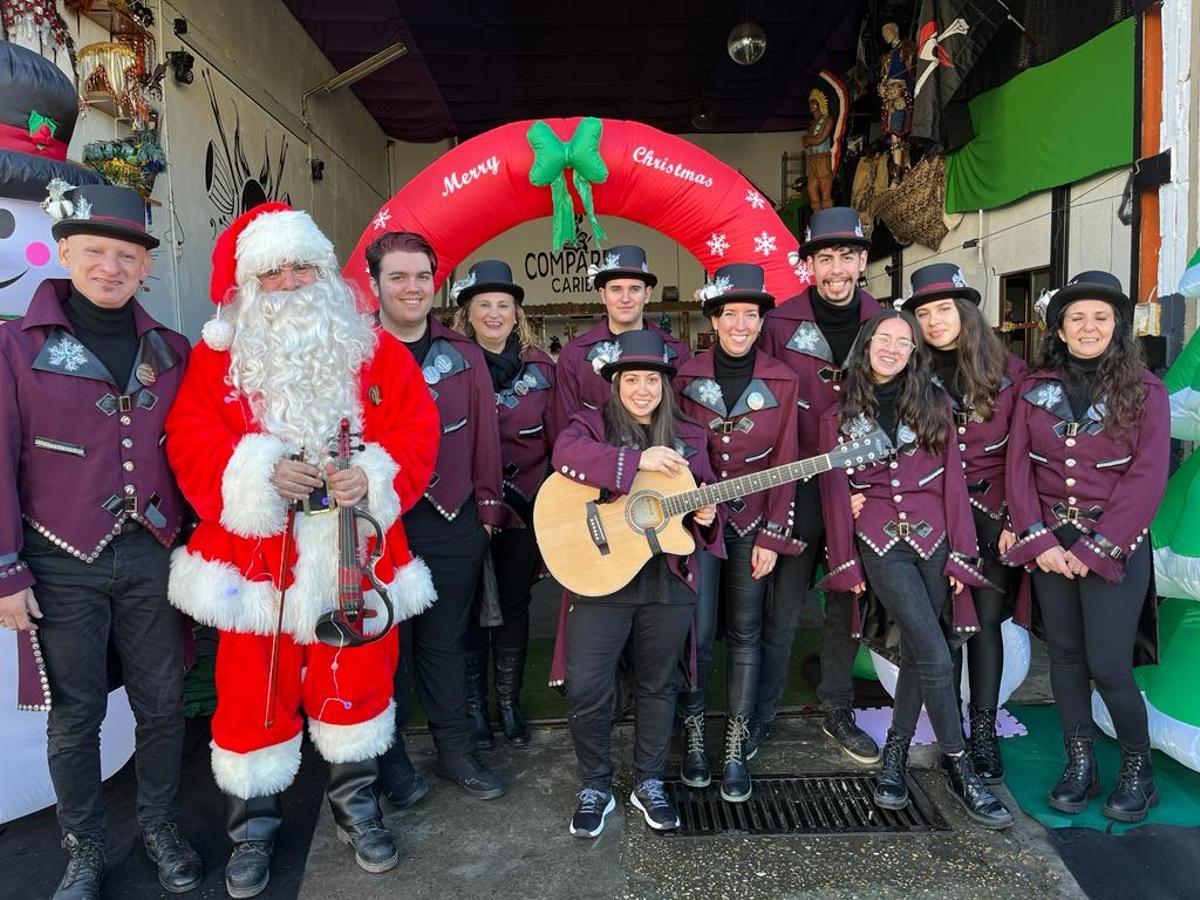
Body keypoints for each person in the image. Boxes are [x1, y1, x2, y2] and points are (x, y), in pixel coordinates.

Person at [165, 203, 440, 897]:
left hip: (357, 553)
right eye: (274, 270)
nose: (290, 282)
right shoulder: (217, 356)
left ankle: (357, 808)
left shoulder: (376, 350)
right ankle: (252, 830)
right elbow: (190, 436)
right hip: (257, 564)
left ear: (325, 272)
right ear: (249, 284)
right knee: (251, 691)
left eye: (303, 267)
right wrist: (257, 471)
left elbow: (416, 431)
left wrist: (371, 475)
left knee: (360, 681)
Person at [0, 183, 201, 899]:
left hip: (153, 552)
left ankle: (160, 825)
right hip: (58, 560)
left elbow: (195, 452)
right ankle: (83, 847)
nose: (109, 267)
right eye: (94, 253)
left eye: (125, 255)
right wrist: (5, 570)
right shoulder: (13, 345)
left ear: (146, 266)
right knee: (76, 713)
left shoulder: (173, 351)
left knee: (161, 704)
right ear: (64, 254)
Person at [818, 308, 1014, 830]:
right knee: (933, 650)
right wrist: (846, 549)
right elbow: (834, 493)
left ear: (912, 354)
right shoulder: (834, 417)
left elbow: (953, 480)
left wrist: (961, 552)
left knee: (918, 649)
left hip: (936, 539)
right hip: (880, 542)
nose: (891, 348)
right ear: (865, 347)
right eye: (882, 339)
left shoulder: (935, 404)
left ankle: (896, 757)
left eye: (902, 342)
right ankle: (960, 764)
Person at [1002, 271, 1168, 823]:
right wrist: (1037, 538)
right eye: (1077, 317)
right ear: (1062, 329)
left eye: (1100, 317)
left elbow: (1146, 479)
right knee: (1067, 661)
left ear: (1118, 326)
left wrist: (1099, 547)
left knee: (1109, 665)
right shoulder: (1033, 389)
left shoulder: (1146, 391)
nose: (1088, 326)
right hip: (1051, 546)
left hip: (1113, 548)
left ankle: (1137, 773)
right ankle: (1080, 766)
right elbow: (1017, 468)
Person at [553, 329, 720, 838]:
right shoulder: (591, 426)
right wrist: (635, 461)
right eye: (632, 379)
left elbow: (703, 505)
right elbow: (566, 455)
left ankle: (649, 781)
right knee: (587, 686)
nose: (642, 389)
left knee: (658, 683)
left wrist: (707, 515)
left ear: (666, 385)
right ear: (616, 384)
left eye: (652, 379)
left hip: (666, 582)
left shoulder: (690, 436)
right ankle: (595, 786)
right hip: (600, 578)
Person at [366, 231, 509, 801]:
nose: (412, 288)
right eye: (398, 276)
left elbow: (486, 440)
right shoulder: (356, 350)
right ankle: (391, 762)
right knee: (384, 651)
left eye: (422, 276)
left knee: (448, 644)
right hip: (379, 524)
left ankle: (455, 753)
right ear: (375, 283)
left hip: (453, 521)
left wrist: (488, 510)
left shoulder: (464, 353)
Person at [756, 206, 881, 764]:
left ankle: (837, 706)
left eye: (846, 256)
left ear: (862, 261)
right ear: (808, 265)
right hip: (799, 483)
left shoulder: (886, 323)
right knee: (783, 602)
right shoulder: (778, 324)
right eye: (824, 257)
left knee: (845, 601)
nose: (836, 268)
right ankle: (760, 709)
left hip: (862, 484)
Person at [673, 264, 803, 801]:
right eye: (732, 314)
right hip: (698, 525)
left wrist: (774, 536)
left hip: (753, 524)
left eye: (751, 315)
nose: (742, 324)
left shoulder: (783, 379)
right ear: (714, 319)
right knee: (699, 635)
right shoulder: (683, 375)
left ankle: (735, 748)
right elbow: (673, 449)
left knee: (748, 635)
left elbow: (790, 459)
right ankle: (698, 739)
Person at [903, 263, 1027, 783]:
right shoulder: (910, 373)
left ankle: (983, 733)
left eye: (943, 309)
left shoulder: (1012, 374)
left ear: (966, 312)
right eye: (924, 313)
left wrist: (1018, 519)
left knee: (985, 628)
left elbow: (1025, 455)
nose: (934, 321)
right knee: (946, 627)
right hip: (935, 519)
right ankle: (952, 734)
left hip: (995, 519)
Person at [450, 259, 556, 746]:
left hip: (527, 503)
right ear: (467, 313)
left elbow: (559, 442)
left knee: (514, 601)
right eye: (483, 305)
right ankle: (473, 709)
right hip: (468, 505)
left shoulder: (543, 370)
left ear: (518, 314)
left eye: (503, 306)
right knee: (470, 601)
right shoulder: (447, 365)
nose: (494, 314)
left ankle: (508, 704)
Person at [553, 244, 689, 423]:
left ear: (647, 294)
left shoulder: (676, 353)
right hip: (594, 451)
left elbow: (685, 426)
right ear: (603, 294)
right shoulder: (574, 355)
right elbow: (565, 431)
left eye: (634, 289)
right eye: (616, 289)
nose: (625, 298)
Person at [802, 90, 835, 211]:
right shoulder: (812, 124)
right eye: (809, 103)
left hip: (822, 158)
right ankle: (817, 216)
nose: (811, 106)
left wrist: (808, 139)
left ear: (820, 104)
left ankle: (828, 219)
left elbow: (819, 139)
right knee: (811, 188)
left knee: (825, 189)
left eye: (814, 103)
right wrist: (810, 139)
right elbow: (806, 142)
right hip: (813, 160)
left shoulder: (827, 119)